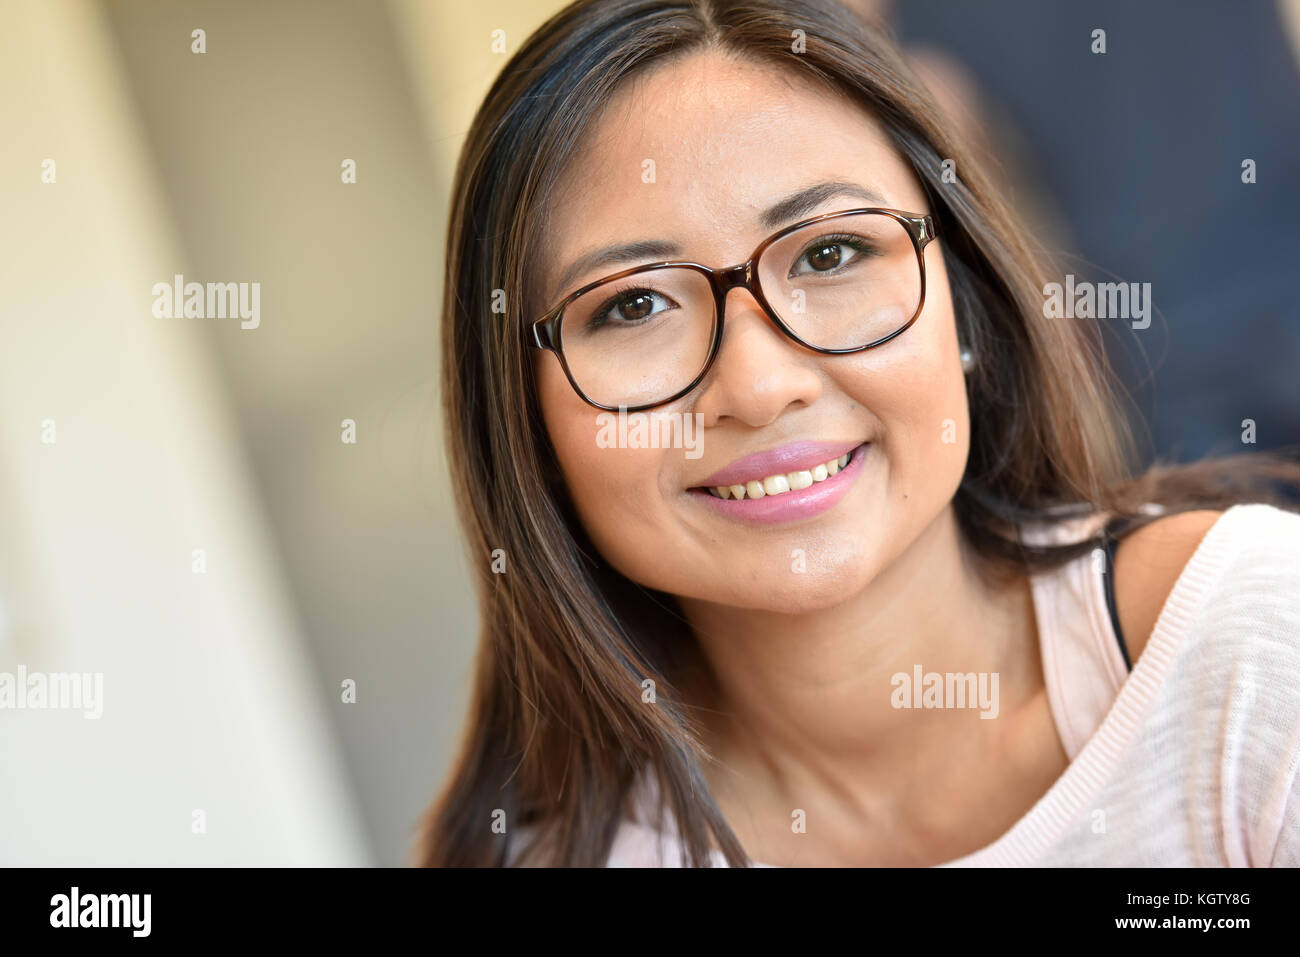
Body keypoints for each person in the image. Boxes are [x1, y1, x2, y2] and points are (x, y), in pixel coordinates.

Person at [417, 0, 1300, 867]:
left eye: (830, 253)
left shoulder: (1255, 648)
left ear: (963, 296)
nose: (761, 388)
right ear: (521, 414)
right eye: (634, 304)